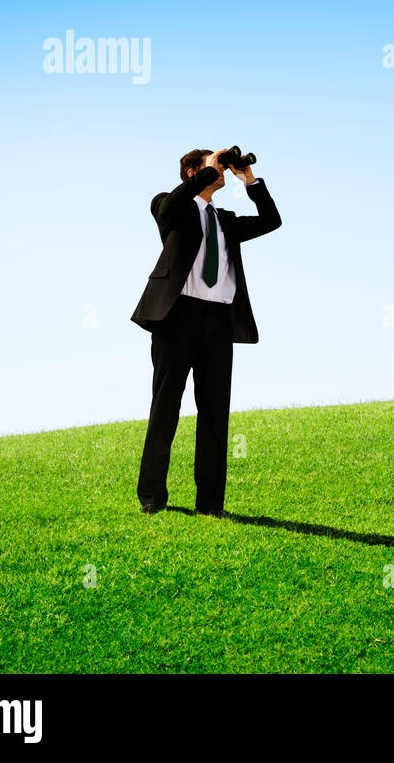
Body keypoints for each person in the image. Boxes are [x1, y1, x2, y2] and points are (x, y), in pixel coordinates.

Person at [130, 147, 282, 516]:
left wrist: (248, 179)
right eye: (210, 166)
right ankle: (152, 497)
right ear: (190, 173)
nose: (220, 171)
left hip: (217, 323)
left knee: (215, 414)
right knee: (165, 409)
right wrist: (207, 172)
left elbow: (270, 220)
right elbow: (167, 209)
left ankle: (211, 504)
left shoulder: (225, 220)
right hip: (176, 317)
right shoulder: (170, 206)